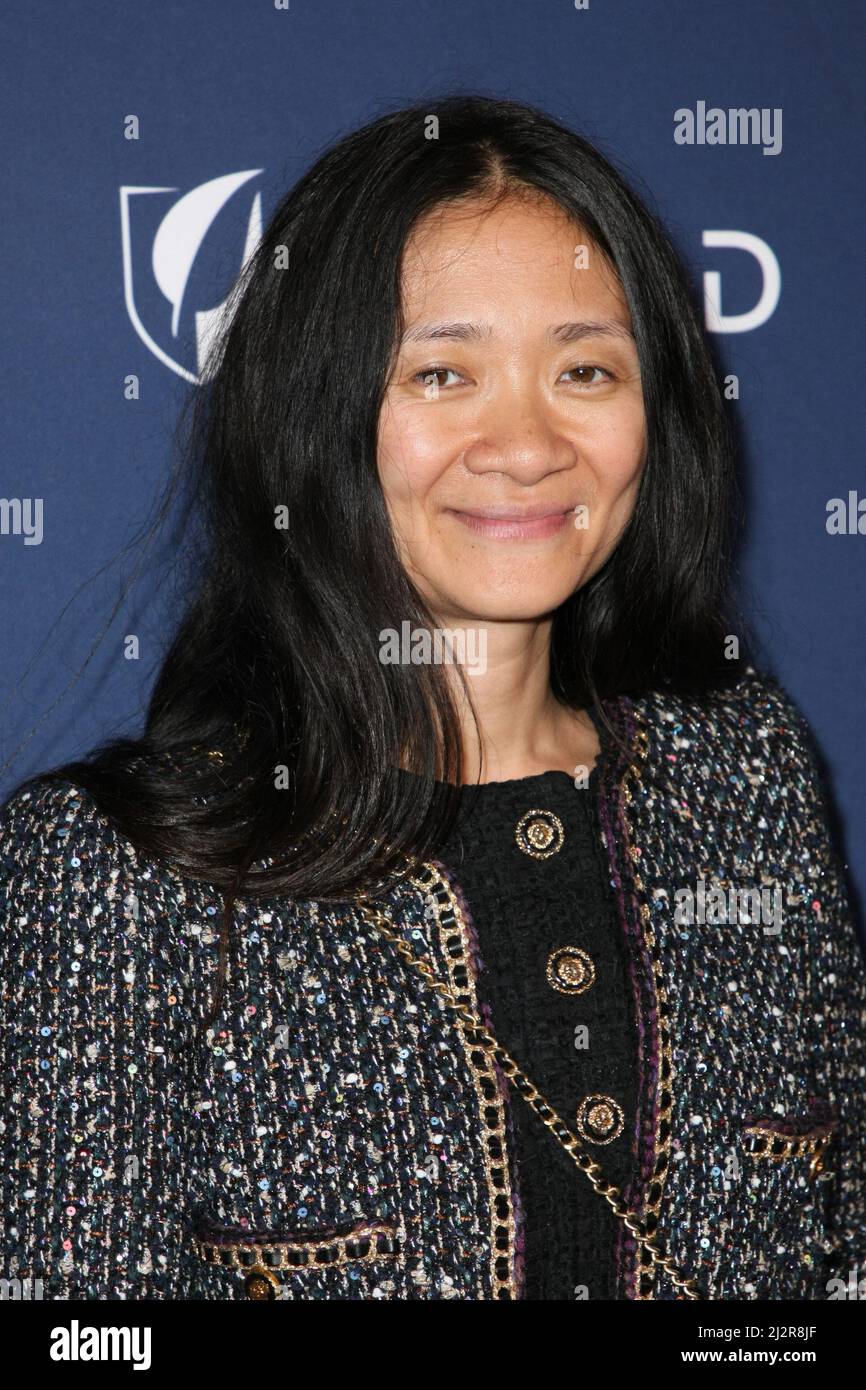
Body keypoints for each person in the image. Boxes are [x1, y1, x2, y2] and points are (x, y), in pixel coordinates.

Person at [1, 93, 864, 1301]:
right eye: (443, 371)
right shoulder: (118, 876)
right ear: (318, 412)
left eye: (584, 367)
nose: (524, 442)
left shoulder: (745, 779)